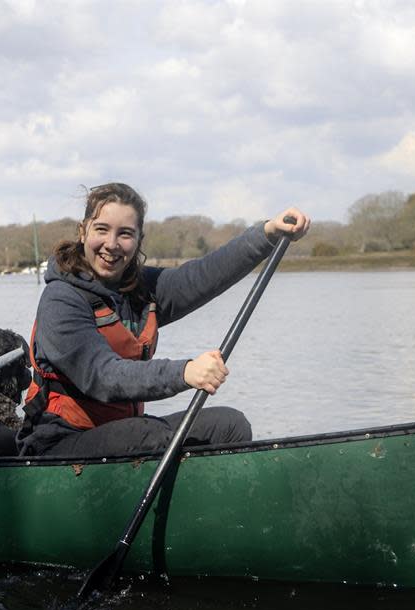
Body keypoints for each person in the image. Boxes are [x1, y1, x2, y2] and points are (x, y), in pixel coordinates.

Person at [18, 183, 310, 458]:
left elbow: (203, 275)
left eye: (125, 233)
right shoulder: (60, 299)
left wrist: (268, 234)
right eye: (102, 229)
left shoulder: (142, 288)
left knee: (231, 426)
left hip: (120, 433)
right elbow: (103, 376)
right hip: (57, 442)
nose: (111, 244)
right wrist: (184, 372)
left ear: (139, 240)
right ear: (83, 232)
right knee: (151, 435)